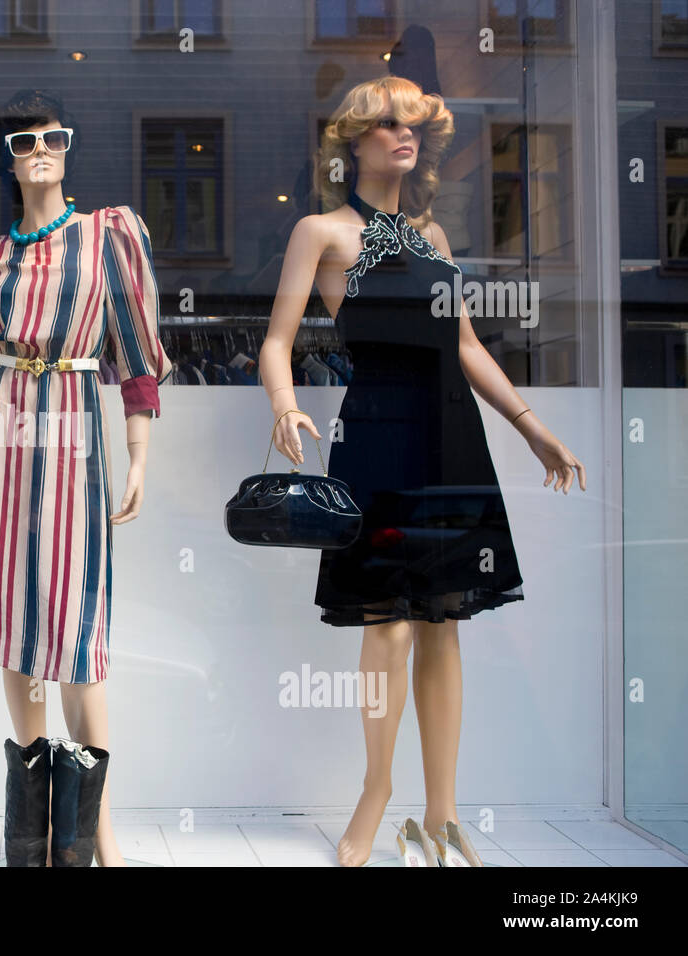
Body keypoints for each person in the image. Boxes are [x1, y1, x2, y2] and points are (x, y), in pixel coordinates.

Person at [258, 75, 585, 867]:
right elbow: (276, 340)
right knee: (391, 623)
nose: (404, 135)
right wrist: (285, 404)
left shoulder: (433, 236)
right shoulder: (321, 232)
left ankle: (441, 813)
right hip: (377, 434)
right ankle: (376, 793)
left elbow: (465, 344)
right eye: (387, 123)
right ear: (354, 140)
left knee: (444, 626)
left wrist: (532, 427)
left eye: (414, 125)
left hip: (450, 435)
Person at [0, 89, 171, 866]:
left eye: (52, 137)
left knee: (77, 632)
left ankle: (94, 833)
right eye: (24, 140)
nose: (40, 149)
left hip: (73, 427)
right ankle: (33, 830)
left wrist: (139, 454)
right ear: (8, 158)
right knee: (15, 624)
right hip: (1, 437)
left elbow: (137, 353)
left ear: (68, 147)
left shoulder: (109, 237)